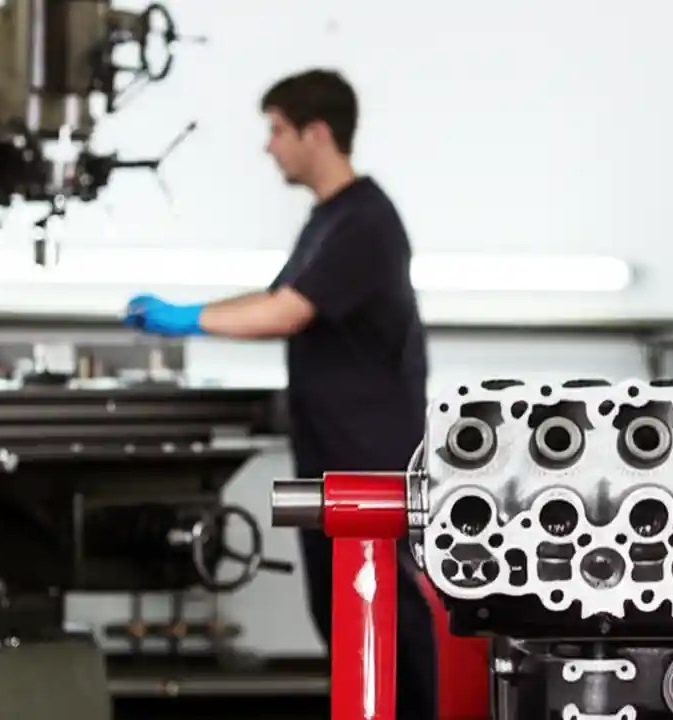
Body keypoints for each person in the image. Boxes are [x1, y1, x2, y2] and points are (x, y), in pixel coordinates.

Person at [123, 69, 437, 719]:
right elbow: (274, 300)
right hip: (334, 449)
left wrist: (184, 320)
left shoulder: (365, 221)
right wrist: (194, 312)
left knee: (381, 617)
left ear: (315, 133)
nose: (269, 147)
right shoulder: (330, 219)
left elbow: (285, 313)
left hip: (369, 456)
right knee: (340, 612)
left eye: (276, 130)